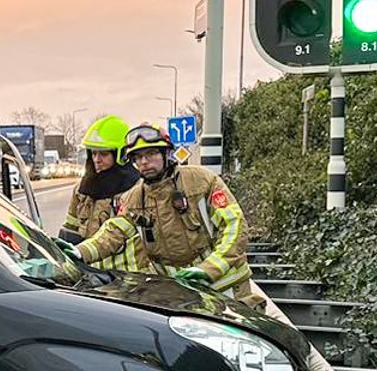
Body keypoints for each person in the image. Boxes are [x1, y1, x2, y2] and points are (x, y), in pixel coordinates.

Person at [71, 124, 260, 303]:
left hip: (226, 289)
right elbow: (112, 233)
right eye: (138, 157)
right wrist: (79, 251)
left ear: (166, 153)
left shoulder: (201, 181)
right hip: (180, 293)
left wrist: (208, 269)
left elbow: (234, 226)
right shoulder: (134, 199)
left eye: (151, 153)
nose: (144, 162)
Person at [59, 115, 138, 244]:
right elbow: (70, 228)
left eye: (104, 154)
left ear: (122, 155)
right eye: (94, 153)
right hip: (84, 260)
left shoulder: (134, 189)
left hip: (116, 263)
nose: (97, 160)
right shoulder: (81, 189)